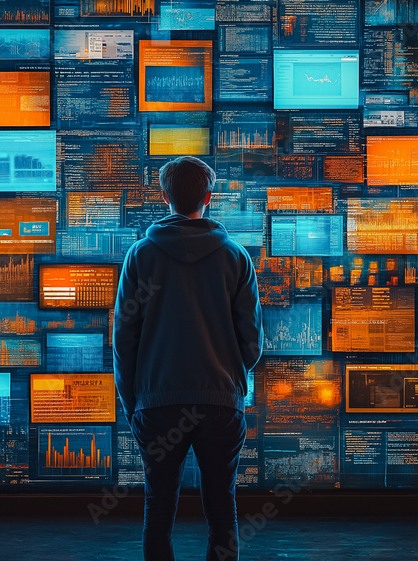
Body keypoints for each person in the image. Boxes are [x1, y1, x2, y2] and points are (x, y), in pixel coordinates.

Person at [113, 156, 264, 561]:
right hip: (221, 403)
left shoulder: (140, 256)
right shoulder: (236, 257)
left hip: (157, 403)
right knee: (222, 509)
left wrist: (134, 404)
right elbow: (252, 342)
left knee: (158, 511)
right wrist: (227, 376)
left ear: (164, 197)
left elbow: (124, 341)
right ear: (209, 198)